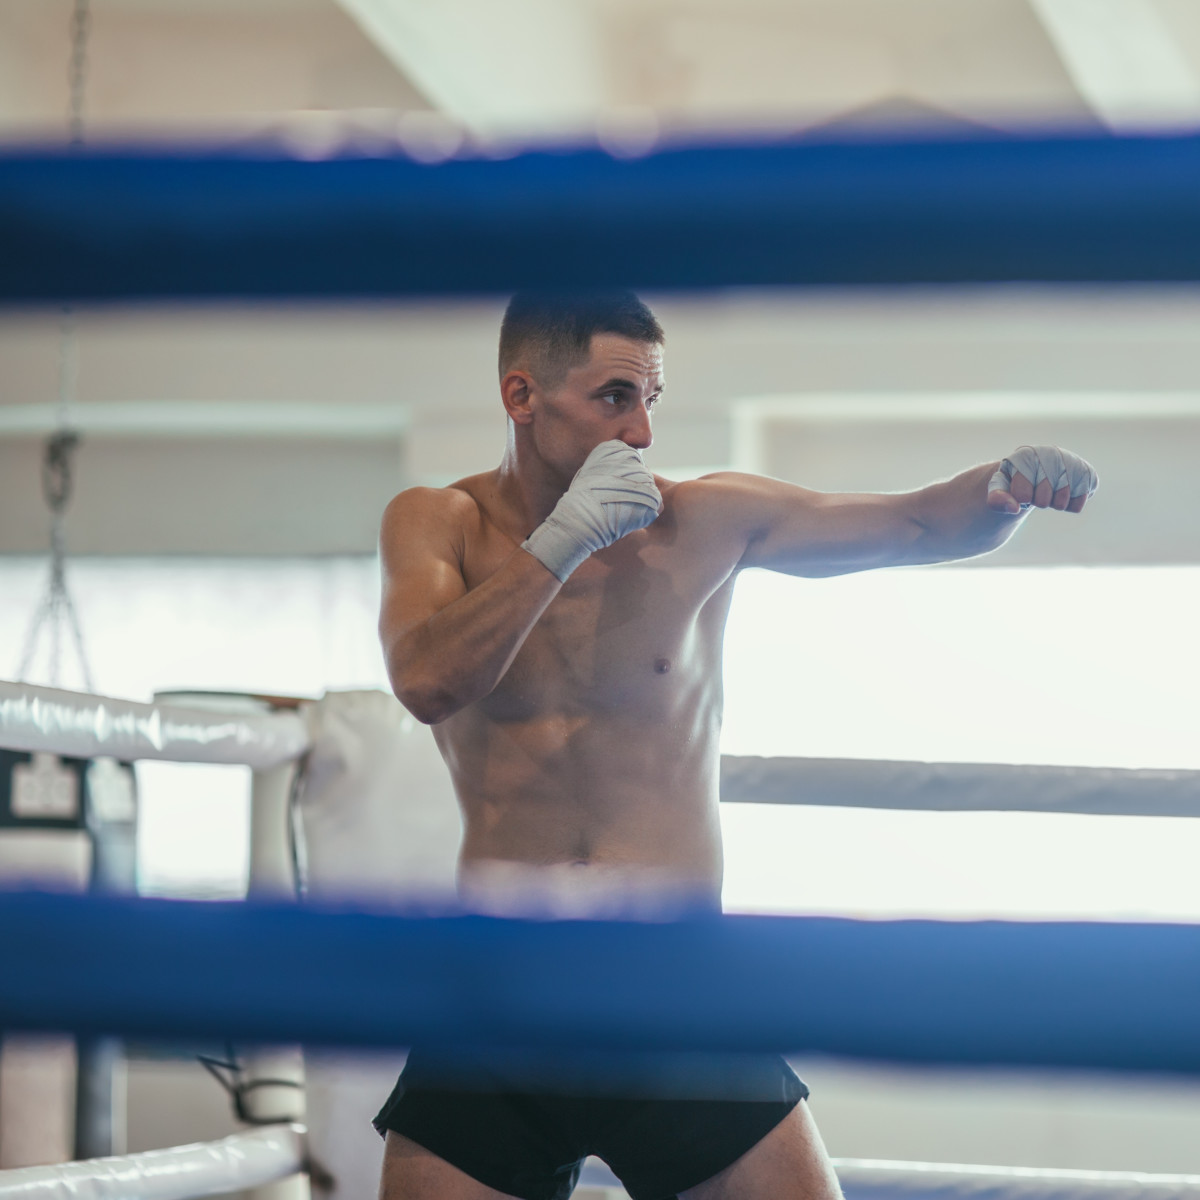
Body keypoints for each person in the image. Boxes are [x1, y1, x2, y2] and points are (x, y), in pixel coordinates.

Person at [373, 291, 1098, 1200]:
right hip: (498, 990)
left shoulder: (701, 519)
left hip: (671, 983)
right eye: (613, 398)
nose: (640, 433)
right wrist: (562, 542)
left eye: (651, 401)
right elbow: (427, 680)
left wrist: (1004, 489)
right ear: (522, 396)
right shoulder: (438, 521)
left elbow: (915, 520)